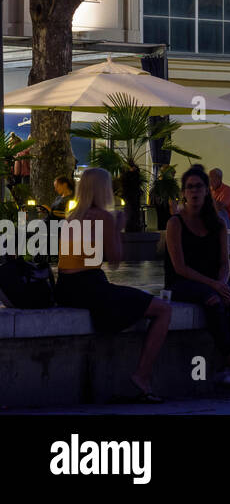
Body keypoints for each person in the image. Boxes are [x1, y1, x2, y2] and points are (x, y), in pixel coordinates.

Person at [55, 167, 172, 403]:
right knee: (164, 310)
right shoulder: (103, 217)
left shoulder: (72, 216)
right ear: (103, 189)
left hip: (66, 287)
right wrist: (118, 227)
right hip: (89, 287)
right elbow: (116, 260)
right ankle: (142, 376)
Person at [164, 166, 230, 392]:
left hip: (213, 282)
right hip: (181, 283)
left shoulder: (218, 224)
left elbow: (225, 263)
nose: (194, 192)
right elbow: (180, 267)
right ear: (184, 192)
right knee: (213, 300)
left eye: (199, 187)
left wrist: (222, 283)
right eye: (190, 187)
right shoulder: (175, 223)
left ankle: (226, 366)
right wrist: (214, 285)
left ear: (207, 191)